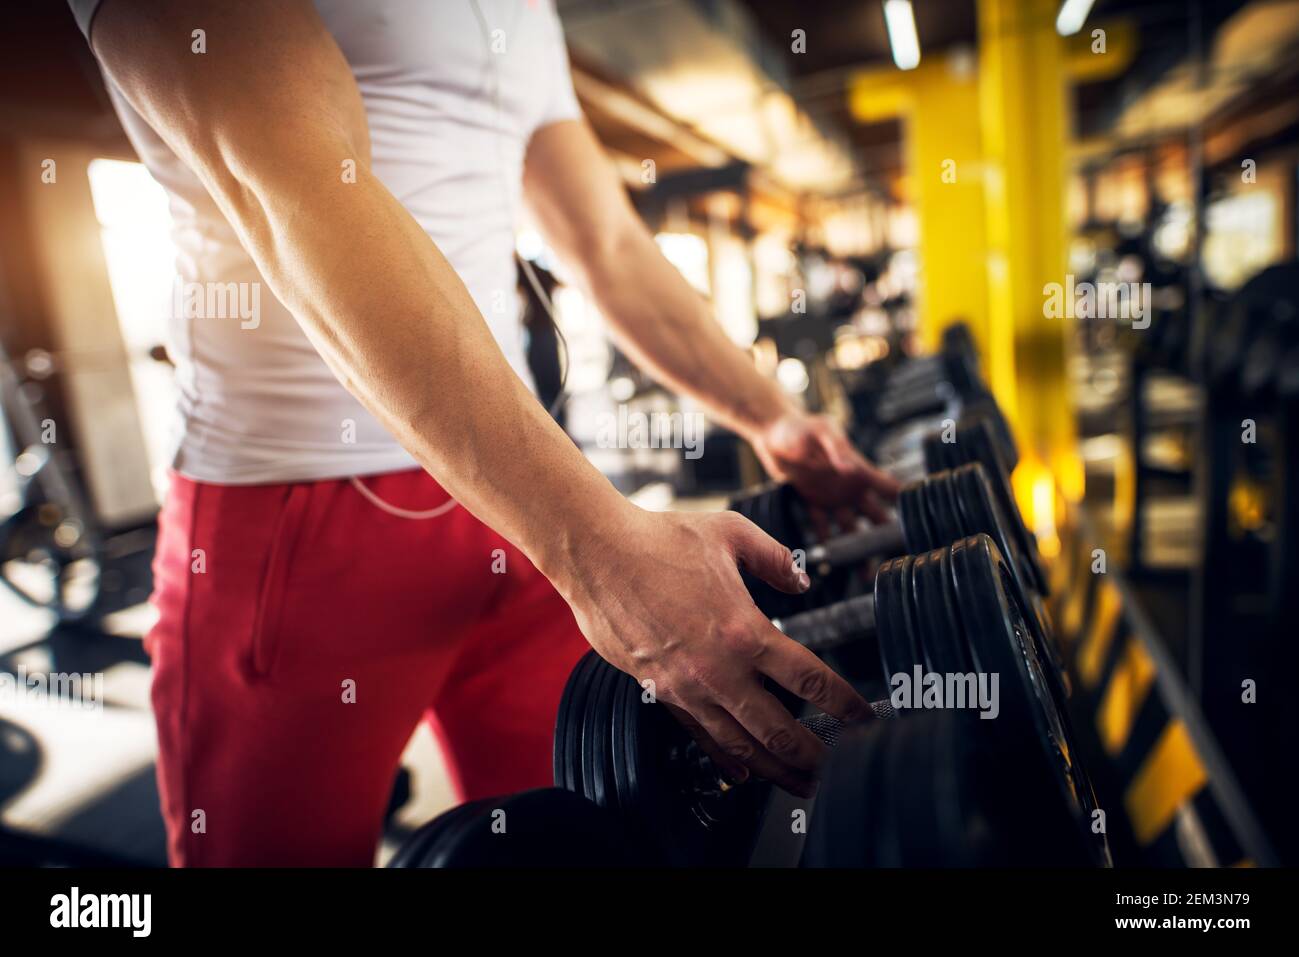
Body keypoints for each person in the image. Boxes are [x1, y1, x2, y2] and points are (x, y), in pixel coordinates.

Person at [68, 0, 900, 865]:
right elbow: (298, 189)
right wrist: (596, 549)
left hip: (515, 492)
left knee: (580, 840)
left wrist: (773, 416)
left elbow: (606, 241)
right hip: (298, 521)